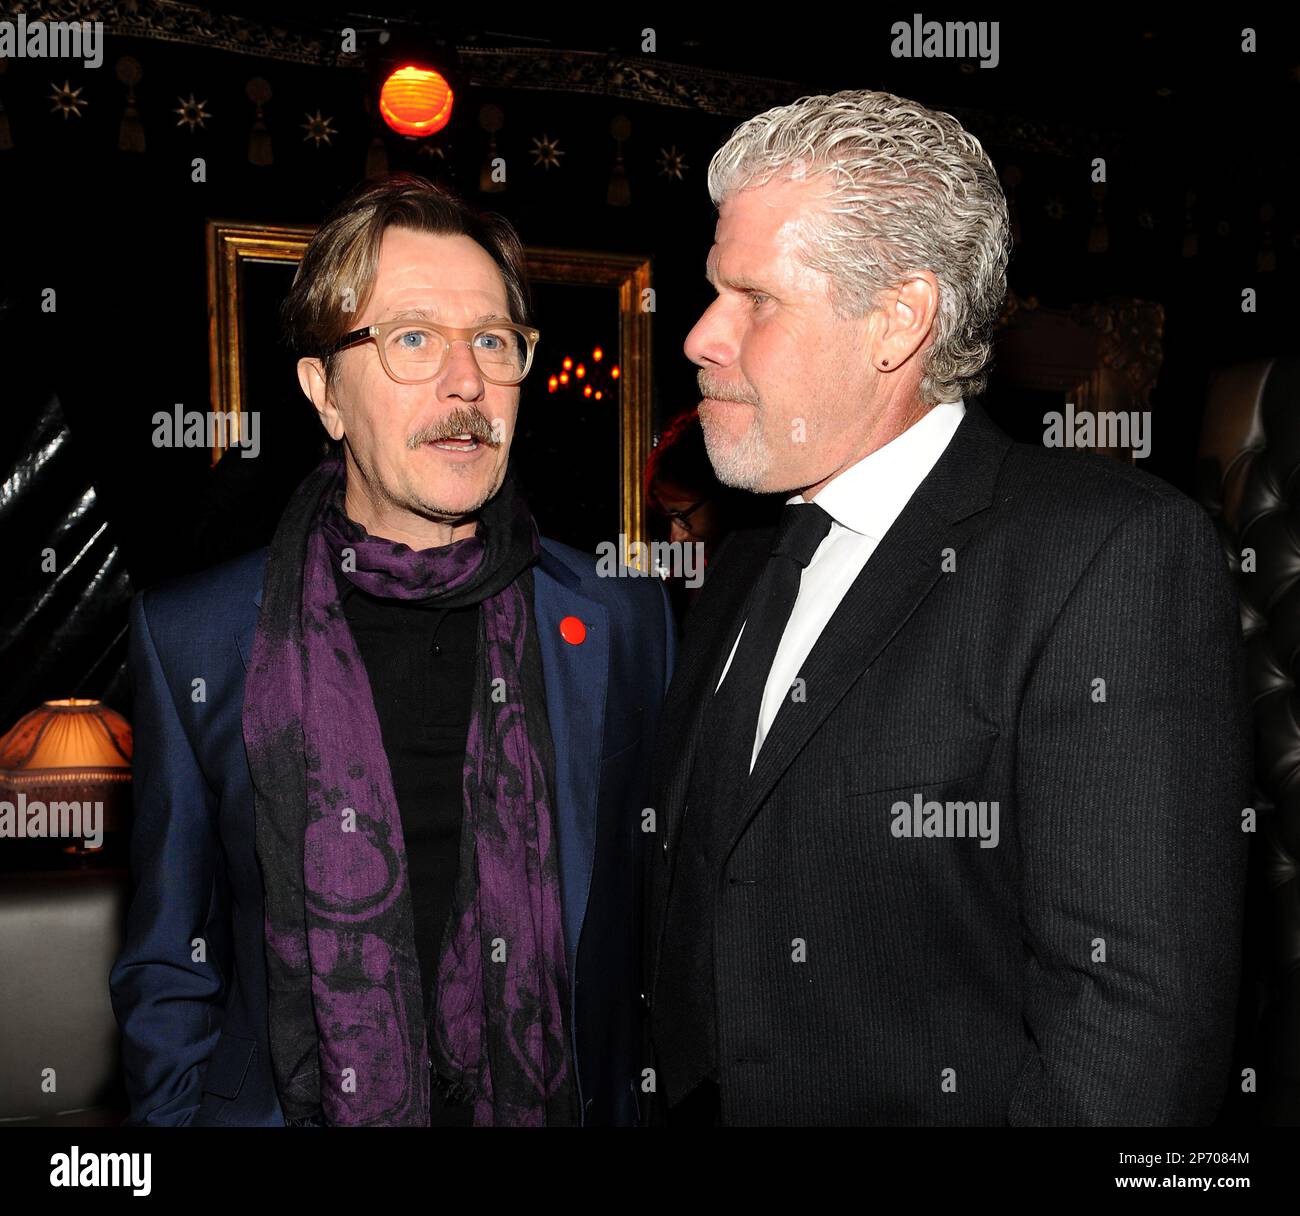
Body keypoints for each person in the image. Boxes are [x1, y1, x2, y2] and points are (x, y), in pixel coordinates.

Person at [645, 89, 1250, 1126]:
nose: (700, 335)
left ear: (899, 320)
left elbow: (1135, 1042)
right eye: (711, 292)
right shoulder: (749, 555)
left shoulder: (1106, 556)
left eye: (754, 298)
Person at [111, 173, 674, 1127]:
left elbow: (658, 922)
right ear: (324, 391)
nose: (466, 383)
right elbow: (170, 954)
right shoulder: (194, 635)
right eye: (413, 339)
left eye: (493, 342)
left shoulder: (619, 617)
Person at [645, 408, 779, 619]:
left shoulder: (769, 575)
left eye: (681, 516)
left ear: (722, 497)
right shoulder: (683, 583)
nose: (674, 538)